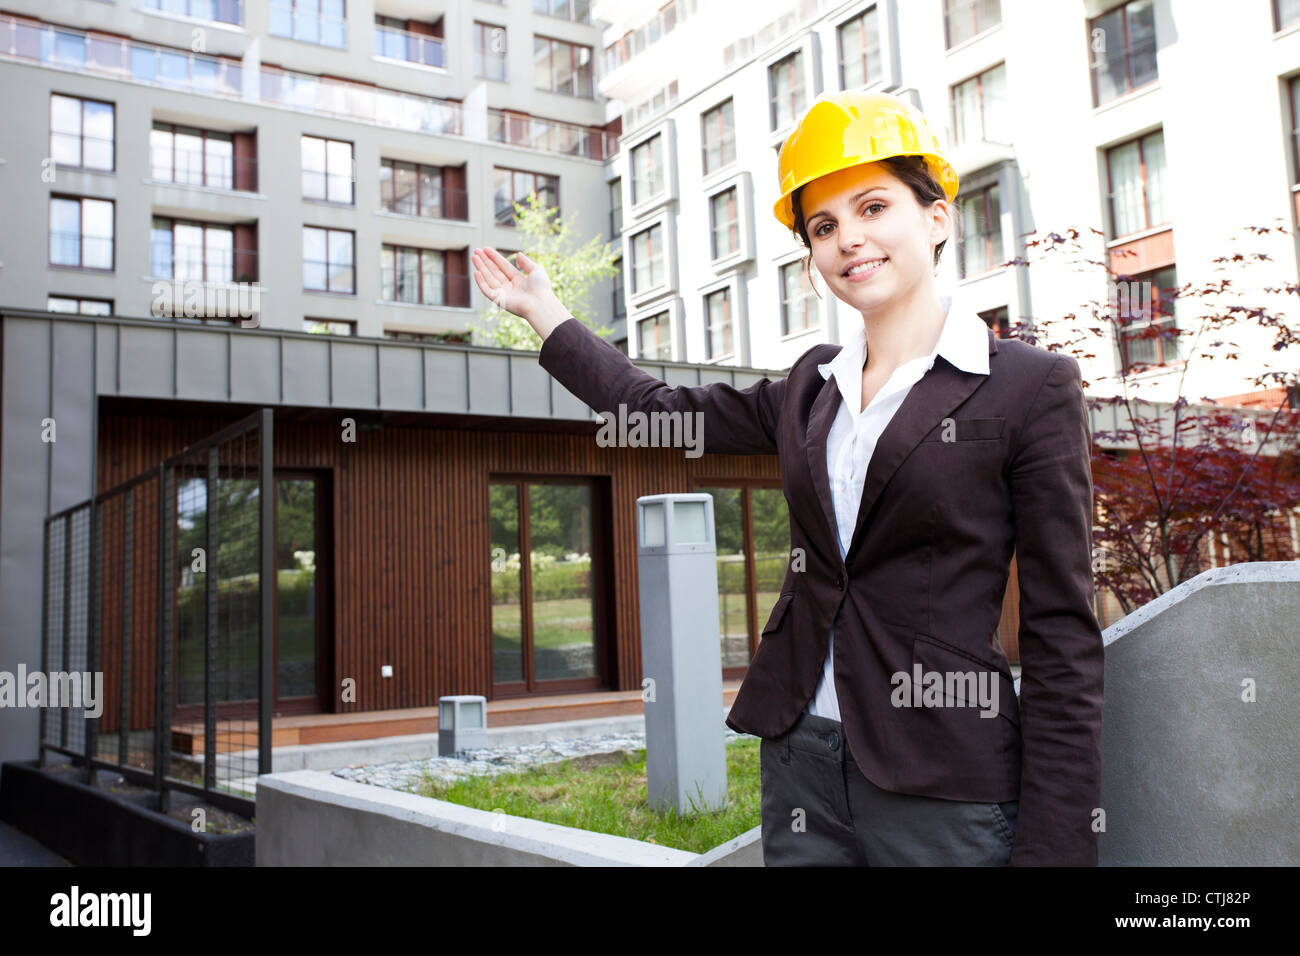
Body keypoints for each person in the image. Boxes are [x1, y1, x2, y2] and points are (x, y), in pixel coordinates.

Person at [471, 90, 1104, 867]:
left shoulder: (1028, 386)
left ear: (936, 217)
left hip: (943, 776)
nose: (849, 240)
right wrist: (546, 312)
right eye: (824, 226)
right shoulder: (810, 386)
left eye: (873, 207)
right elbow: (658, 411)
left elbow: (1061, 631)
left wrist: (1058, 848)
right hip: (802, 756)